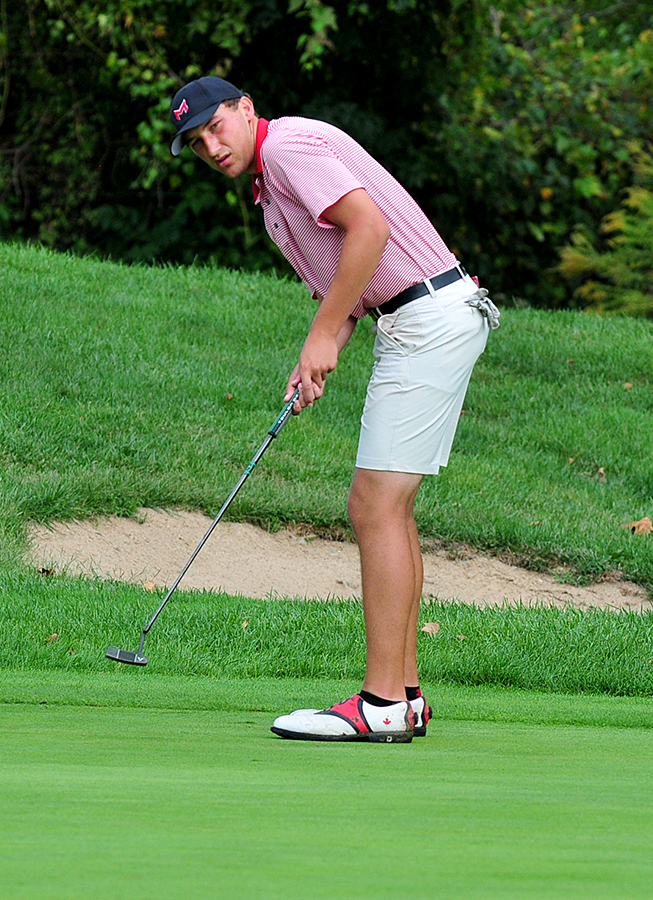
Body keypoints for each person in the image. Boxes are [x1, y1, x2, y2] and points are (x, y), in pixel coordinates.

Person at [167, 76, 500, 742]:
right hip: (419, 317)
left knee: (373, 505)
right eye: (197, 142)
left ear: (246, 109)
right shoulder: (270, 196)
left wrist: (322, 336)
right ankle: (404, 697)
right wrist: (317, 354)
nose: (212, 146)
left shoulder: (289, 146)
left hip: (427, 316)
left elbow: (370, 230)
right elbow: (346, 290)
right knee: (389, 506)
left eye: (216, 127)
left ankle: (380, 703)